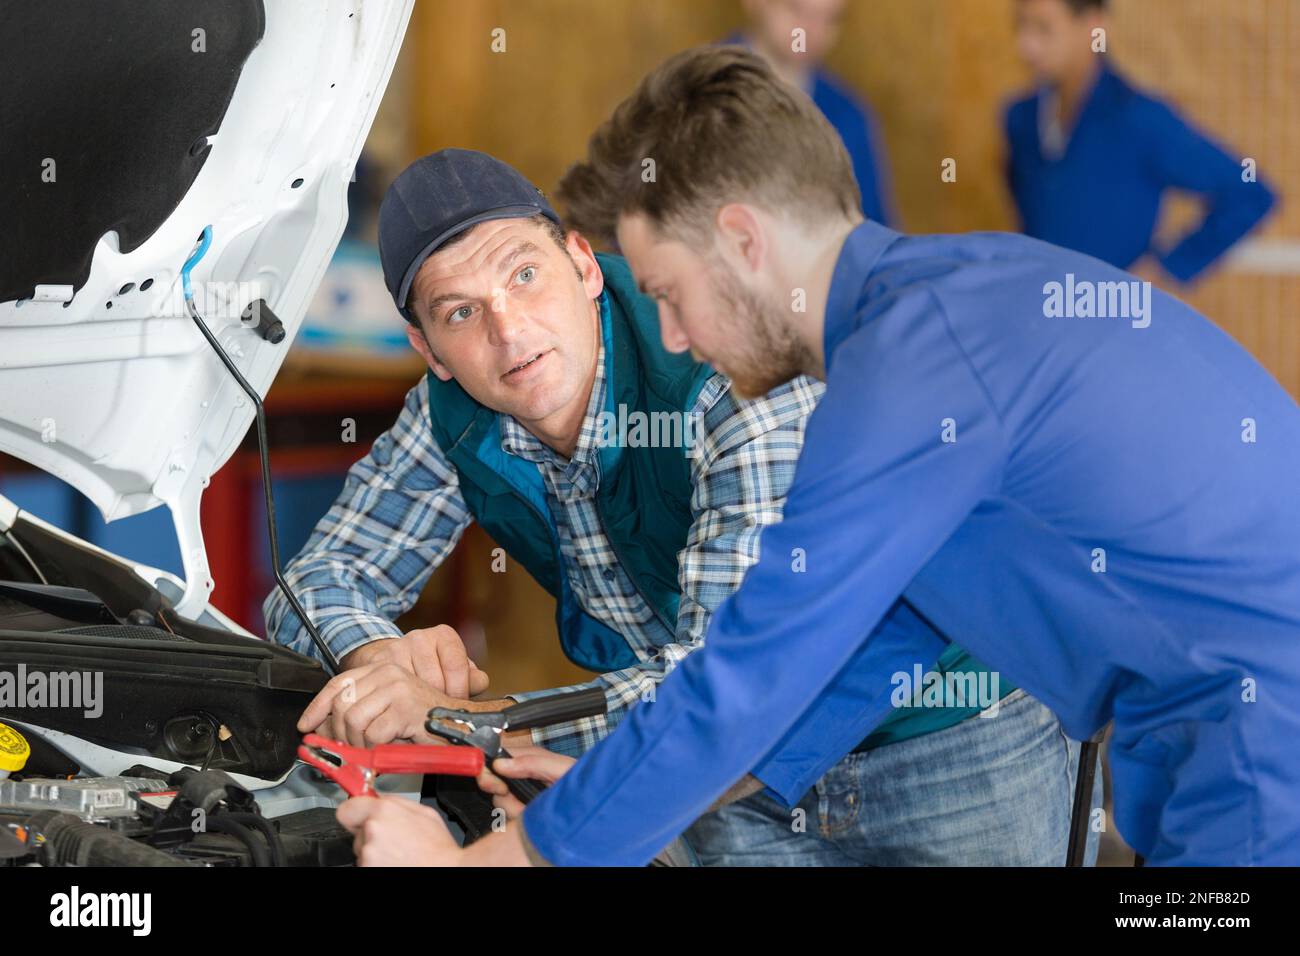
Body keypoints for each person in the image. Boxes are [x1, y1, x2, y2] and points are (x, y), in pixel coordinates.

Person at [338, 46, 1300, 867]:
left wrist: (494, 861)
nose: (668, 337)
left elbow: (749, 671)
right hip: (1214, 741)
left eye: (668, 292)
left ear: (743, 243)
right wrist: (628, 782)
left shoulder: (907, 376)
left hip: (1256, 755)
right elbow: (866, 649)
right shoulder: (948, 300)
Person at [268, 148, 1089, 865]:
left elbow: (737, 680)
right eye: (460, 312)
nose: (509, 331)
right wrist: (379, 662)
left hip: (943, 739)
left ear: (584, 267)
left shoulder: (719, 363)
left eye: (524, 274)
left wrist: (456, 718)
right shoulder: (453, 409)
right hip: (721, 783)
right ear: (428, 350)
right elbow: (314, 582)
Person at [1006, 0, 1276, 283]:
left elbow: (1249, 193)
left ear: (1093, 26)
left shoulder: (1137, 117)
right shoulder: (1020, 118)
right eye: (1020, 27)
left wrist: (1165, 268)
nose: (1026, 46)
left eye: (1043, 29)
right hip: (1039, 310)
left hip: (1113, 317)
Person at [729, 0, 896, 226]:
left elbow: (874, 236)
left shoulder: (849, 118)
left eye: (830, 19)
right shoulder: (690, 97)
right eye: (798, 10)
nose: (813, 32)